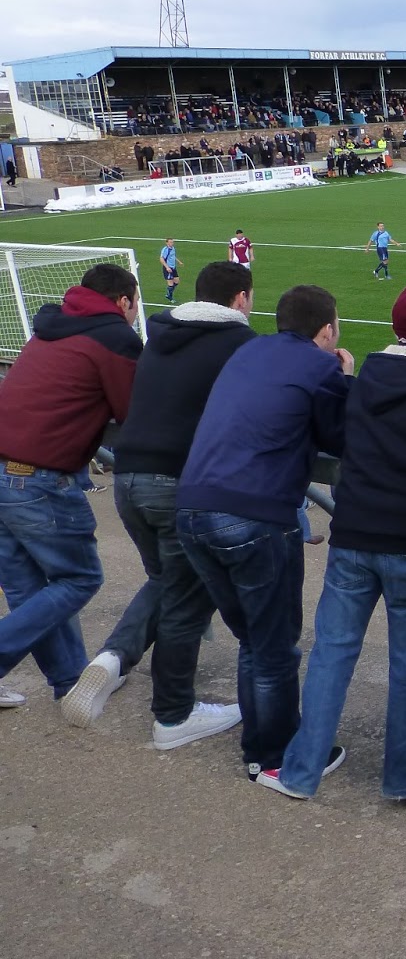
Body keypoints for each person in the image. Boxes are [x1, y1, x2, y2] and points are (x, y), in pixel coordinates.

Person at [255, 285, 406, 802]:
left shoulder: (370, 373)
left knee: (332, 652)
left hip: (354, 531)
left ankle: (301, 771)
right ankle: (405, 777)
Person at [60, 262, 254, 746]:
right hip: (177, 484)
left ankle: (111, 661)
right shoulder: (239, 345)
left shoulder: (159, 336)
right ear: (241, 300)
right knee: (187, 600)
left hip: (128, 477)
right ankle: (173, 716)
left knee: (169, 582)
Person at [176, 285, 355, 779]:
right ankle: (276, 757)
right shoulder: (320, 366)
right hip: (253, 514)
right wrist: (346, 377)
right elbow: (340, 436)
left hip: (192, 507)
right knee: (274, 646)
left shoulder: (247, 349)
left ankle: (259, 749)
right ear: (326, 331)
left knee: (255, 641)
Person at [0, 265, 142, 710]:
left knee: (29, 589)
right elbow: (133, 410)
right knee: (80, 578)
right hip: (39, 477)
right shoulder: (117, 338)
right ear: (124, 302)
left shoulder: (49, 327)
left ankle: (68, 682)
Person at [160, 238, 183, 303]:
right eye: (170, 242)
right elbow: (161, 259)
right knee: (171, 284)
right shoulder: (165, 250)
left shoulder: (172, 248)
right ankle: (170, 297)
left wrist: (179, 262)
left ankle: (168, 293)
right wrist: (167, 267)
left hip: (173, 267)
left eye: (172, 242)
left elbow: (173, 256)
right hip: (168, 268)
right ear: (167, 243)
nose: (172, 243)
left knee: (177, 281)